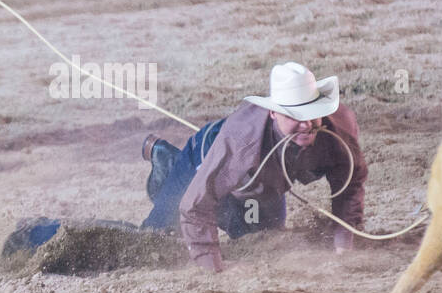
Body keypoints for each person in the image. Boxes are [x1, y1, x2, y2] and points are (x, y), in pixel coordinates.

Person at [141, 62, 368, 270]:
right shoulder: (241, 141)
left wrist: (343, 246)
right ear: (273, 112)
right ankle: (169, 161)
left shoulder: (339, 130)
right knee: (157, 238)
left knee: (263, 239)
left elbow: (350, 185)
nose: (306, 124)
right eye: (295, 115)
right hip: (206, 156)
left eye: (311, 113)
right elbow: (195, 207)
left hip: (267, 181)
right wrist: (212, 268)